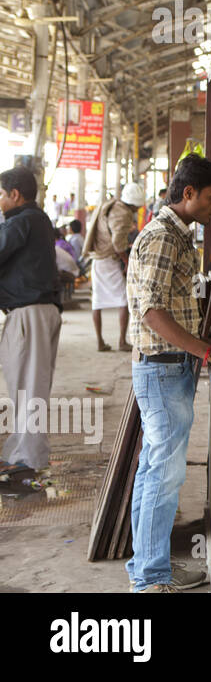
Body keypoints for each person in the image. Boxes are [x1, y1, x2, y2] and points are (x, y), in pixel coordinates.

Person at [125, 155, 211, 592]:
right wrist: (207, 352)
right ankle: (151, 579)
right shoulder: (164, 237)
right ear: (187, 193)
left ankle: (148, 569)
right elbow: (152, 311)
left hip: (168, 369)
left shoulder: (177, 234)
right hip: (162, 370)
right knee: (164, 475)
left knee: (155, 472)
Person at [0, 167, 63, 474]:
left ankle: (30, 460)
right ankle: (20, 453)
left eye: (1, 194)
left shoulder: (22, 221)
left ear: (15, 195)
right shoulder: (37, 220)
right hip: (36, 312)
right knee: (25, 387)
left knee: (29, 389)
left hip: (30, 313)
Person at [84, 183, 143, 352]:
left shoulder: (112, 205)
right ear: (134, 204)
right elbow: (118, 245)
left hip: (98, 259)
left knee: (97, 301)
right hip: (109, 260)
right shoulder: (123, 213)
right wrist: (127, 262)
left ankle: (100, 341)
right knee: (124, 300)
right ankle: (122, 341)